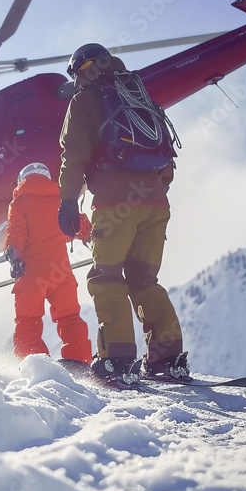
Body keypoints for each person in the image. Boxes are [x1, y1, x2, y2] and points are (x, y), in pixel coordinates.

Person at [57, 43, 188, 385]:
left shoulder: (83, 101)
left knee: (107, 277)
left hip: (115, 206)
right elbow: (165, 158)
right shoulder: (139, 95)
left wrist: (69, 201)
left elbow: (74, 156)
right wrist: (151, 195)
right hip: (157, 204)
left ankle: (116, 359)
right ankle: (169, 357)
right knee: (145, 280)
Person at [3, 162, 92, 364]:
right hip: (61, 273)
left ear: (22, 180)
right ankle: (78, 362)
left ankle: (35, 363)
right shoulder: (61, 201)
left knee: (28, 320)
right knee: (70, 317)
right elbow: (79, 226)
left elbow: (16, 232)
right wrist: (89, 232)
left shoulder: (20, 202)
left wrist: (14, 255)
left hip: (31, 274)